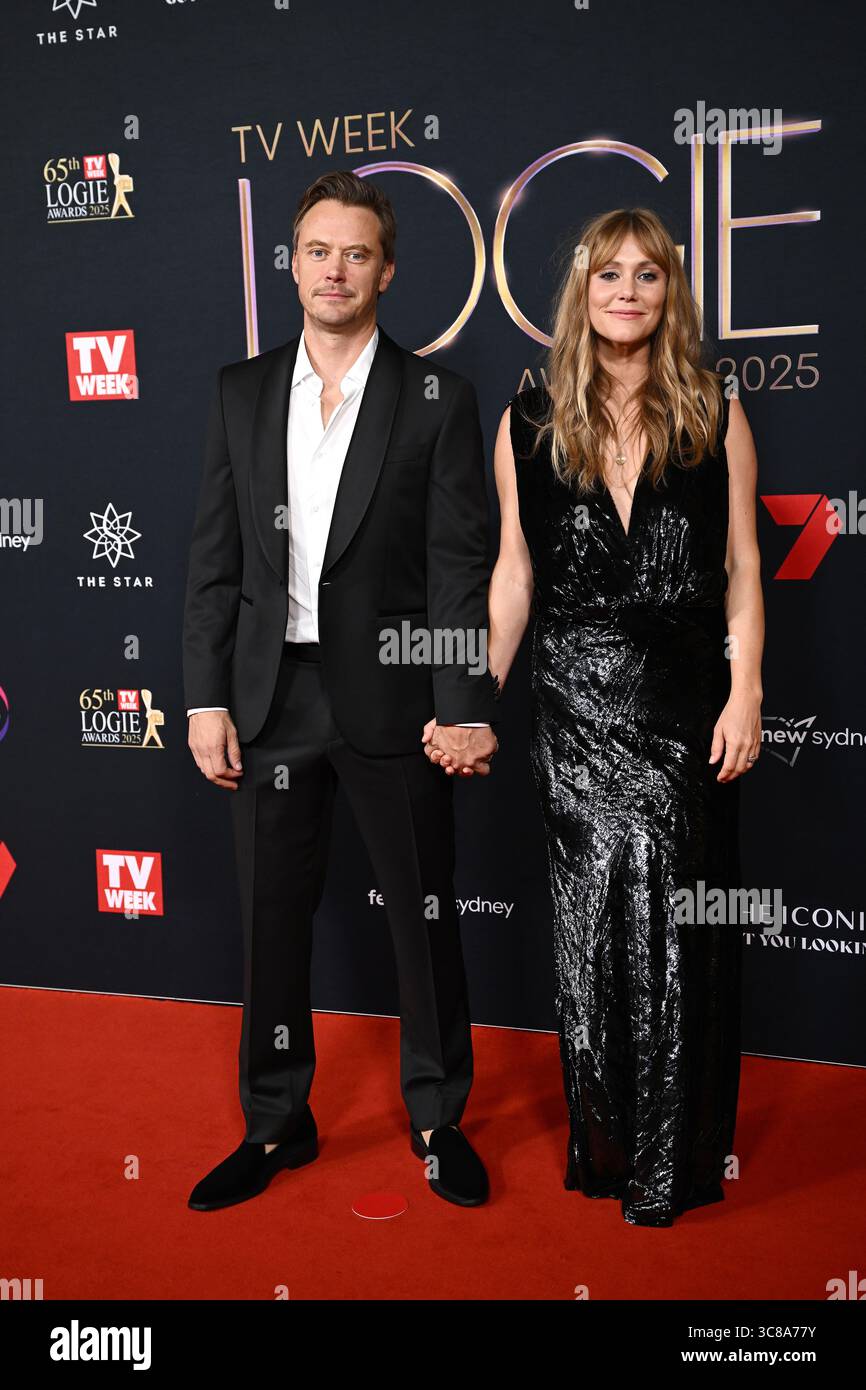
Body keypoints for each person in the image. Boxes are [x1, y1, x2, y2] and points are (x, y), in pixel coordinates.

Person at [431, 207, 764, 1226]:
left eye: (647, 275)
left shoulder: (711, 407)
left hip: (678, 706)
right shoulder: (529, 419)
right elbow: (513, 578)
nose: (626, 289)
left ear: (670, 294)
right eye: (606, 272)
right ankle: (613, 1147)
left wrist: (744, 689)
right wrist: (466, 701)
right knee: (589, 942)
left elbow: (742, 569)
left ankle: (674, 1158)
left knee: (676, 932)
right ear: (580, 291)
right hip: (571, 713)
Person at [182, 170, 499, 1212]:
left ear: (386, 270)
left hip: (396, 702)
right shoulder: (241, 390)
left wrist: (458, 703)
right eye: (317, 250)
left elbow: (457, 562)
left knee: (421, 918)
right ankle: (276, 1121)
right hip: (273, 700)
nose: (333, 269)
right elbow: (215, 563)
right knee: (272, 924)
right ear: (292, 261)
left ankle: (434, 1115)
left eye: (354, 253)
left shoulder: (435, 401)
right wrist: (204, 698)